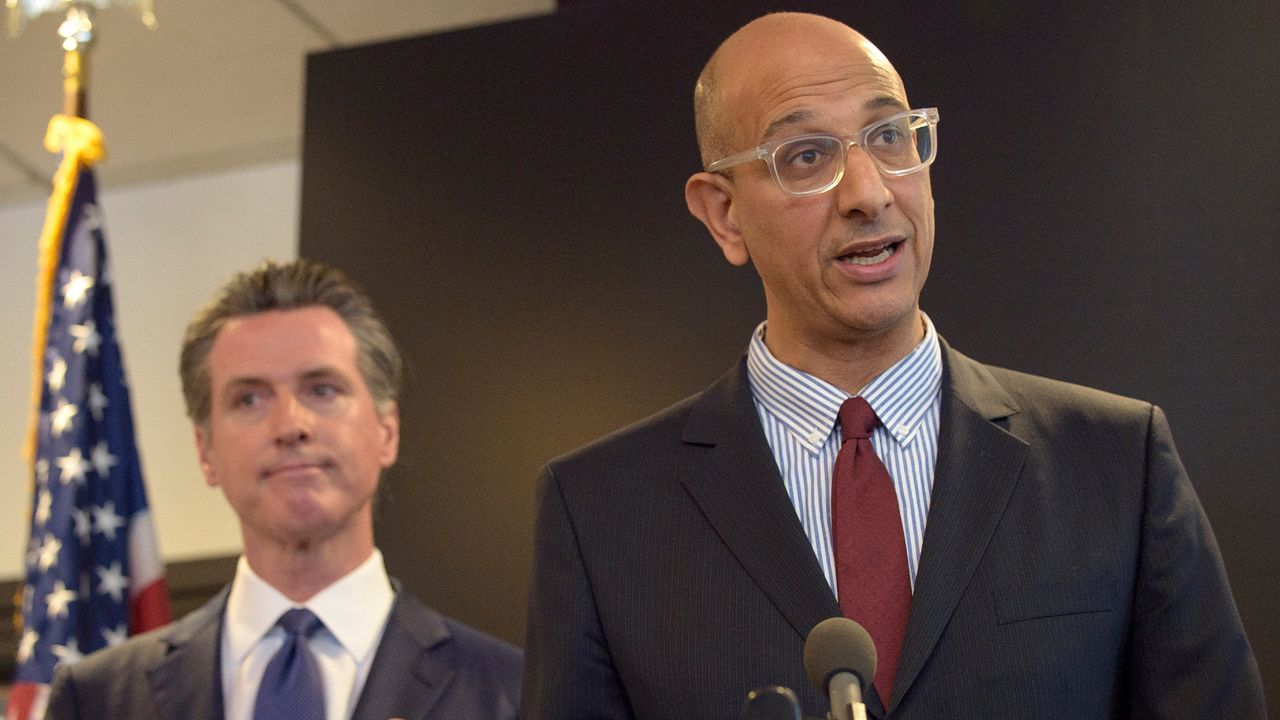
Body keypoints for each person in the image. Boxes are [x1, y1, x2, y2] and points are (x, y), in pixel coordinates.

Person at [522, 12, 1264, 720]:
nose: (870, 194)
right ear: (723, 213)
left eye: (889, 137)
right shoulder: (601, 511)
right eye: (806, 156)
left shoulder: (1114, 462)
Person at [46, 259, 522, 720]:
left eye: (322, 390)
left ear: (387, 431)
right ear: (205, 451)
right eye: (249, 398)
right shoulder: (97, 701)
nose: (290, 425)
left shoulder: (511, 693)